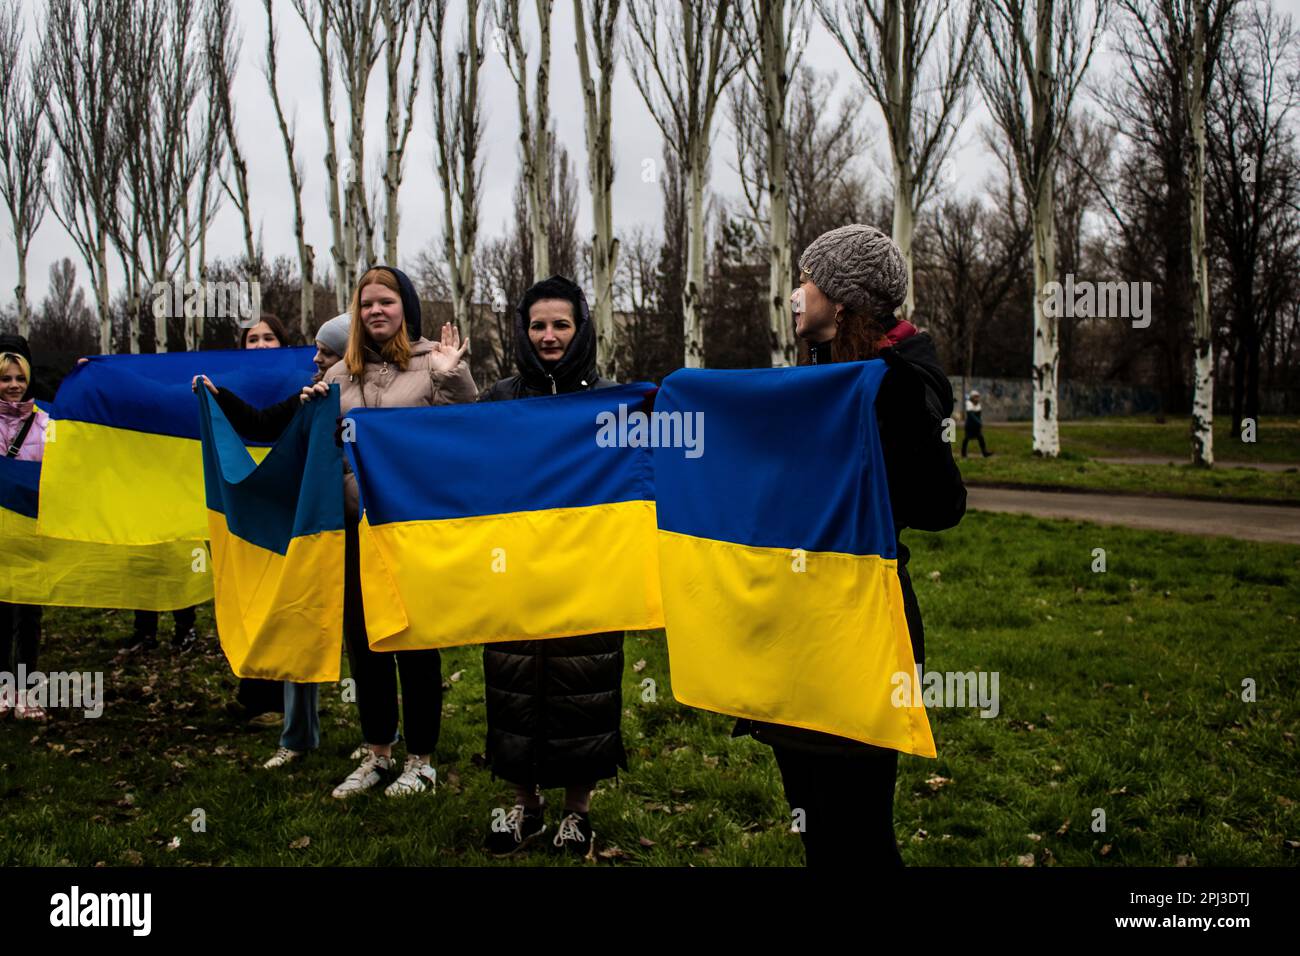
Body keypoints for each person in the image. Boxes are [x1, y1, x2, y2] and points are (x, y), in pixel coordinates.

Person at [738, 224, 966, 867]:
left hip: (864, 629)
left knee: (860, 833)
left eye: (804, 281)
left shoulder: (898, 381)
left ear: (838, 301)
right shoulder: (814, 378)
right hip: (797, 626)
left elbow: (942, 505)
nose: (793, 295)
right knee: (815, 827)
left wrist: (893, 405)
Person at [303, 265, 476, 799]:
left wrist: (451, 377)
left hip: (412, 531)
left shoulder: (433, 366)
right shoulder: (338, 377)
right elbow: (323, 451)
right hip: (355, 532)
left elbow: (465, 430)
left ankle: (421, 759)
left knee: (415, 642)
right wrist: (311, 415)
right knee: (365, 642)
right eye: (366, 304)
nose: (375, 310)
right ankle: (377, 752)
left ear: (407, 308)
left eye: (387, 301)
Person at [477, 275, 625, 859]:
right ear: (523, 330)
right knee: (514, 691)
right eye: (538, 325)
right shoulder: (498, 400)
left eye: (560, 324)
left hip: (589, 575)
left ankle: (577, 813)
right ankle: (524, 808)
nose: (548, 336)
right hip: (512, 572)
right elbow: (462, 465)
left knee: (582, 691)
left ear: (580, 328)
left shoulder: (613, 402)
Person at [193, 314, 351, 768]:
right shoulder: (309, 398)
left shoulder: (365, 397)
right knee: (297, 620)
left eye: (327, 352)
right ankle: (297, 736)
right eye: (318, 350)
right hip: (309, 532)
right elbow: (263, 426)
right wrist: (216, 399)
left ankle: (382, 738)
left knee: (363, 636)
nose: (316, 358)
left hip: (357, 528)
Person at [0, 335, 50, 721]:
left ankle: (27, 692)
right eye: (5, 378)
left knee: (30, 616)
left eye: (20, 378)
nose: (14, 385)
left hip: (32, 533)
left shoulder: (46, 422)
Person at [962, 390, 991, 458]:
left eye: (978, 397)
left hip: (976, 426)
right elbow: (971, 415)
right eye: (975, 397)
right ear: (972, 397)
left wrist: (979, 422)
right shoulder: (969, 404)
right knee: (966, 439)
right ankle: (963, 454)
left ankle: (985, 453)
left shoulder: (978, 404)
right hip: (970, 426)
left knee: (981, 438)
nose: (977, 398)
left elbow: (978, 415)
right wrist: (979, 422)